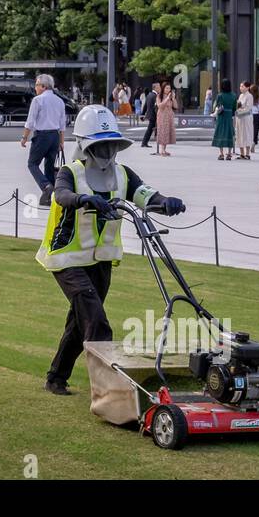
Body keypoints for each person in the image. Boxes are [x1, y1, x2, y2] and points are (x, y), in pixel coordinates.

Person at [37, 105, 186, 396]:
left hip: (101, 260)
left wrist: (166, 202)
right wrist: (83, 199)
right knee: (96, 320)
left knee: (80, 321)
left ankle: (56, 377)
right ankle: (109, 392)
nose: (106, 152)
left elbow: (145, 195)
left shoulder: (123, 175)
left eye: (110, 145)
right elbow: (60, 195)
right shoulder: (71, 172)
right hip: (66, 258)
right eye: (100, 145)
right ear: (85, 145)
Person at [22, 74, 68, 206]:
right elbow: (62, 124)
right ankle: (50, 197)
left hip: (42, 135)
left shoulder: (38, 100)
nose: (35, 87)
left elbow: (30, 122)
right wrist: (61, 142)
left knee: (32, 163)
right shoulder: (59, 101)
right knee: (49, 165)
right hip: (55, 136)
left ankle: (46, 186)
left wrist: (24, 137)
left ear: (43, 86)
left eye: (36, 85)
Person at [211, 79, 237, 161]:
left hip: (222, 116)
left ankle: (221, 154)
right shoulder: (233, 95)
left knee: (220, 133)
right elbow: (234, 108)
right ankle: (229, 154)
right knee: (229, 133)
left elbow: (218, 106)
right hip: (229, 116)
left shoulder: (220, 95)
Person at [235, 81, 255, 160]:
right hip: (240, 117)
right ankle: (242, 153)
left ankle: (247, 153)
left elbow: (248, 108)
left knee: (246, 134)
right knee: (239, 134)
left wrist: (239, 110)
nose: (241, 88)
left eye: (242, 86)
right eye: (240, 86)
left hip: (246, 118)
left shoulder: (249, 96)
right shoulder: (240, 95)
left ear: (247, 87)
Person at [154, 83, 177, 156]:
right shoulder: (159, 96)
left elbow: (175, 106)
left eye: (169, 88)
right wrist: (167, 99)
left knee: (168, 131)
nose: (168, 90)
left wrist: (173, 99)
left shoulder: (170, 97)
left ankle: (165, 149)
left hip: (169, 115)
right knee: (163, 131)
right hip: (162, 116)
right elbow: (160, 106)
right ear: (163, 88)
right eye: (166, 88)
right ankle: (162, 150)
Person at [139, 81, 161, 148]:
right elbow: (156, 107)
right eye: (159, 87)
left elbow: (145, 105)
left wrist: (142, 114)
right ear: (155, 88)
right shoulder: (155, 96)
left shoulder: (149, 94)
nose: (160, 88)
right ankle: (144, 143)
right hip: (154, 115)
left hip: (150, 115)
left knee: (151, 129)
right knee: (150, 129)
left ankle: (145, 142)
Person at [251, 83, 259, 147]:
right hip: (256, 115)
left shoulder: (249, 97)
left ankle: (250, 142)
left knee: (249, 130)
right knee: (255, 130)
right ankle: (254, 141)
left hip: (249, 115)